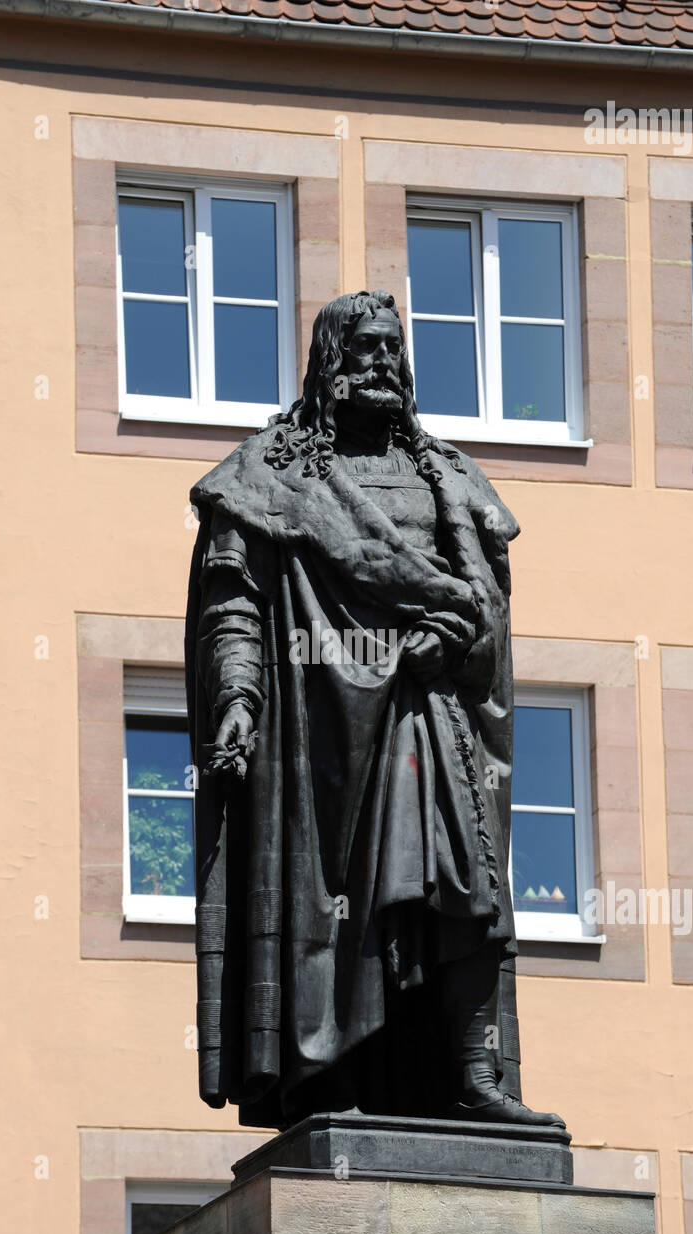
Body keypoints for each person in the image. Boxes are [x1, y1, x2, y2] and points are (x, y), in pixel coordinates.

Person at [185, 290, 563, 1131]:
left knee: (468, 885)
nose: (381, 363)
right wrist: (238, 700)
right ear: (326, 363)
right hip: (317, 738)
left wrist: (455, 636)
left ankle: (472, 1076)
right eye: (361, 349)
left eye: (393, 348)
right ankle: (329, 1082)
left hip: (432, 720)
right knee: (340, 895)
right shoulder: (266, 479)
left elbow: (486, 606)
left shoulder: (451, 478)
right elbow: (232, 605)